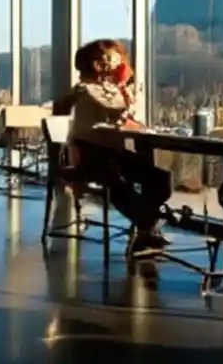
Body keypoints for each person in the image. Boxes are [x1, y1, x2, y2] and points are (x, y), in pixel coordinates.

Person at [52, 39, 172, 255]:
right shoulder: (85, 90)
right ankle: (147, 223)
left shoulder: (107, 89)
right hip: (88, 153)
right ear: (98, 64)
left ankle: (146, 225)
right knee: (116, 181)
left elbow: (121, 111)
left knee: (158, 178)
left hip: (111, 152)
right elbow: (113, 105)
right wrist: (123, 84)